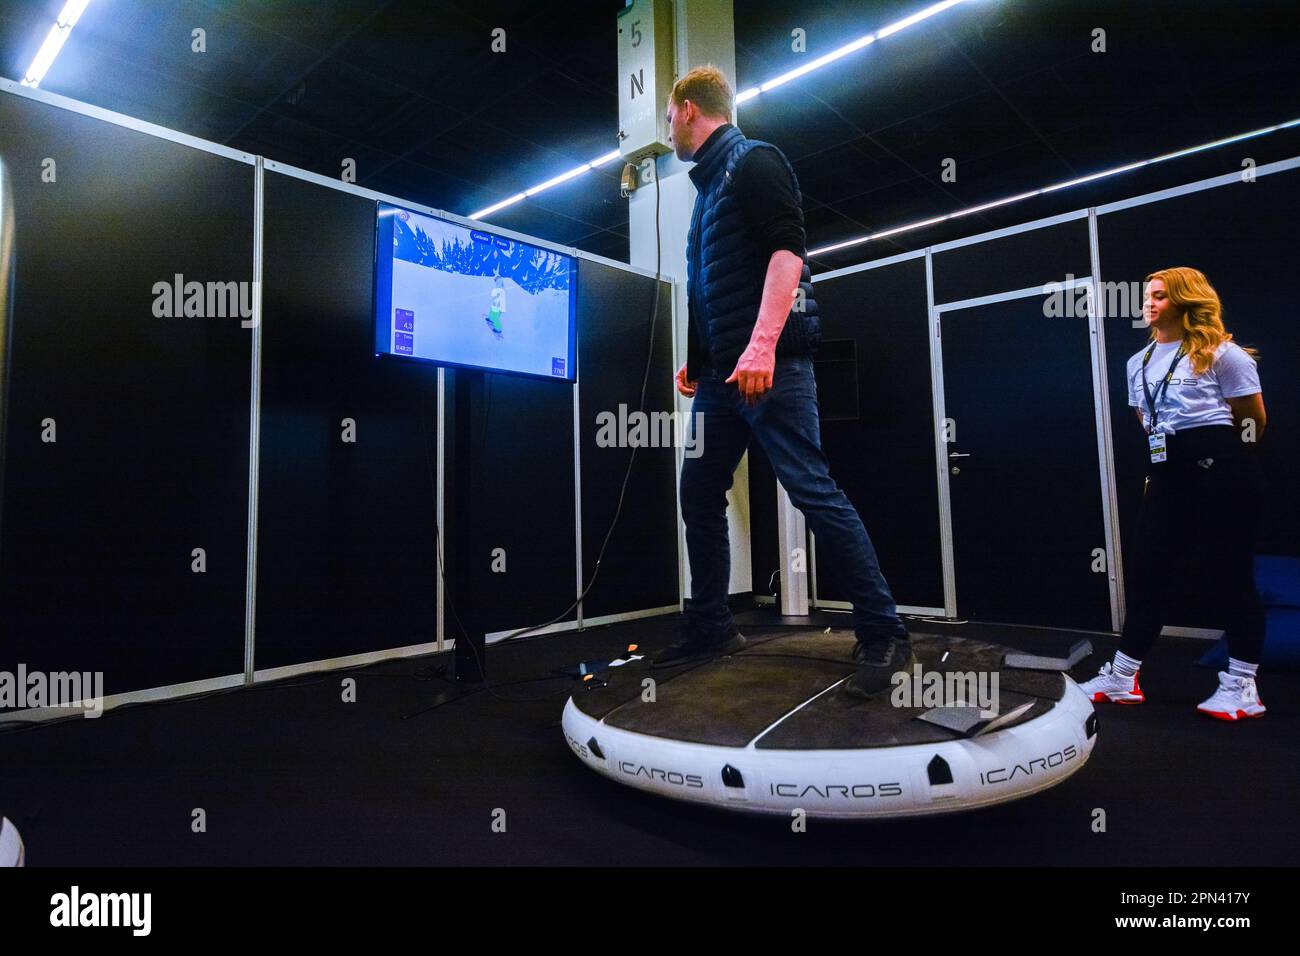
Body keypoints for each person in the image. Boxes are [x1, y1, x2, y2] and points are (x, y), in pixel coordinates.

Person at [651, 65, 913, 697]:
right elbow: (712, 285)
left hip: (773, 366)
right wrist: (696, 356)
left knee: (810, 489)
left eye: (667, 116)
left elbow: (786, 254)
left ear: (688, 109)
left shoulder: (756, 162)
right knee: (698, 493)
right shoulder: (707, 194)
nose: (667, 128)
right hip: (720, 377)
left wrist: (763, 343)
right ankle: (711, 624)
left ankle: (884, 630)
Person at [1080, 267, 1268, 720]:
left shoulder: (1223, 354)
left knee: (1230, 576)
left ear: (1185, 301)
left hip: (1222, 472)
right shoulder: (1138, 361)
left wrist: (1227, 467)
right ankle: (1123, 677)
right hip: (1167, 474)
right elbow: (1147, 420)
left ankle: (1242, 685)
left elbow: (1253, 421)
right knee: (1149, 574)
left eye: (1160, 296)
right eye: (1148, 296)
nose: (1149, 303)